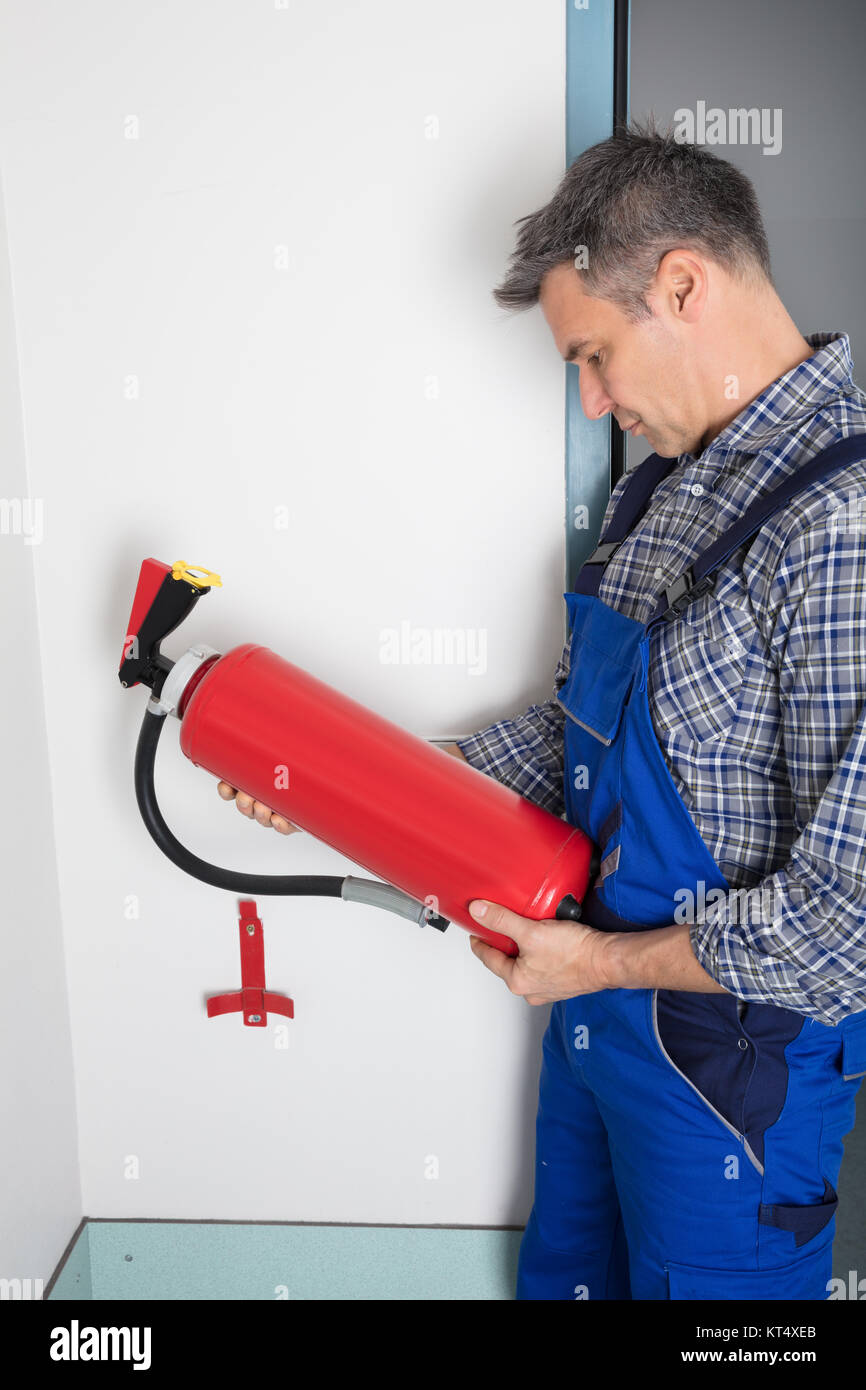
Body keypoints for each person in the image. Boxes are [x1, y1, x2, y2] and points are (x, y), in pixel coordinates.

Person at [219, 120, 866, 1300]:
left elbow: (851, 917)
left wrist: (604, 965)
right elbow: (581, 737)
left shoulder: (843, 528)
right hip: (591, 1018)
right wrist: (339, 782)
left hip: (728, 1076)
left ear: (681, 285)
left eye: (593, 354)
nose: (588, 400)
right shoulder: (657, 496)